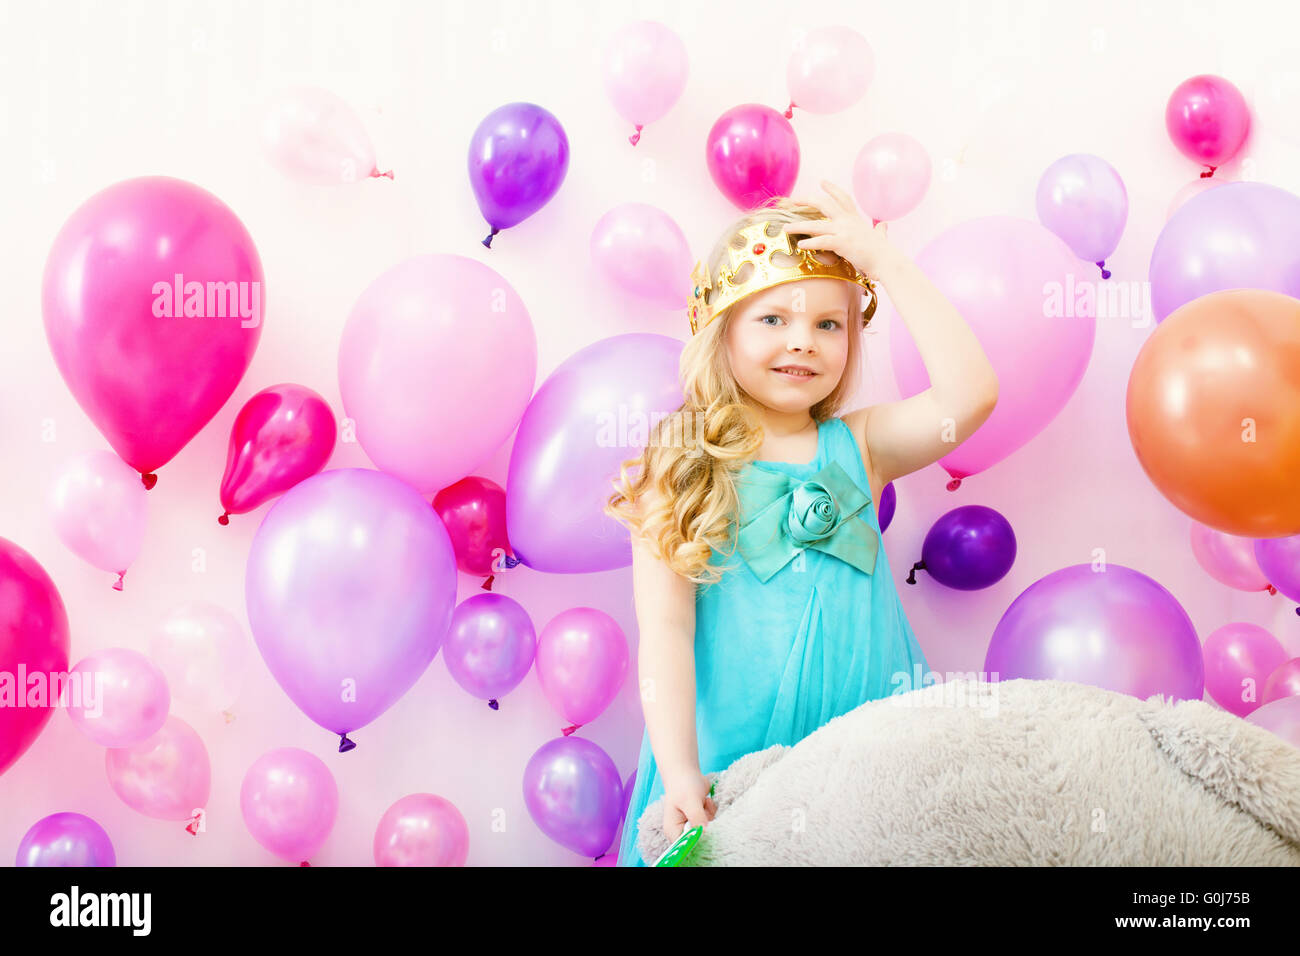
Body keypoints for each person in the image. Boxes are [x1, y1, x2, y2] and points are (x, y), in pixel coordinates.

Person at [604, 180, 999, 866]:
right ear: (721, 329)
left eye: (828, 324)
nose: (803, 343)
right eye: (773, 320)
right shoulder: (681, 463)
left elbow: (971, 395)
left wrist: (886, 263)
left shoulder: (861, 446)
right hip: (730, 765)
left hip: (868, 760)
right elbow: (665, 631)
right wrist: (678, 771)